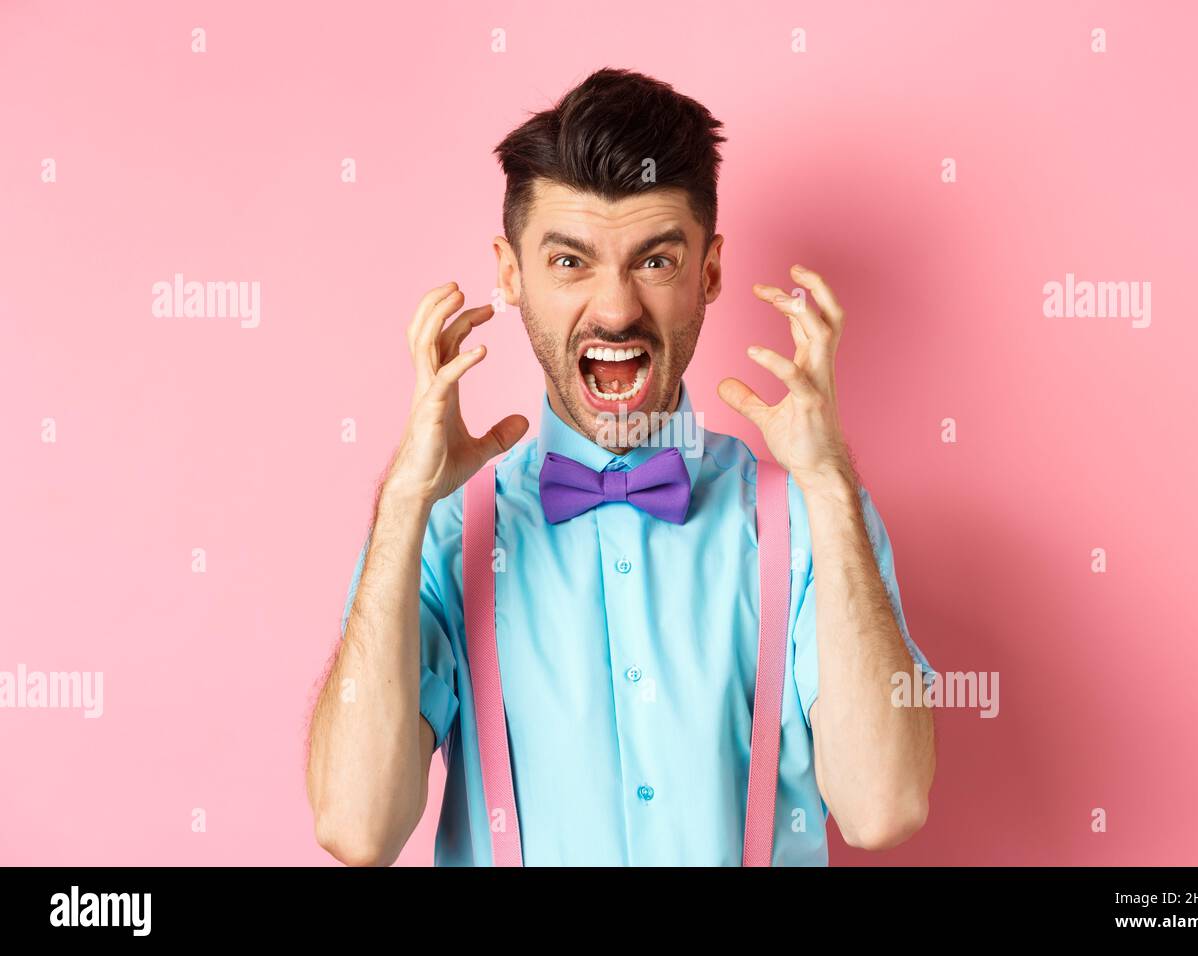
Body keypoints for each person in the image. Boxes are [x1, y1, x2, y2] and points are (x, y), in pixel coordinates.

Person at [306, 67, 937, 866]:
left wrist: (830, 486)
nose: (614, 310)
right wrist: (402, 503)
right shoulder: (438, 529)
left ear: (709, 273)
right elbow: (355, 829)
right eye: (570, 262)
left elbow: (884, 807)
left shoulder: (812, 520)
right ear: (511, 275)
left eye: (656, 262)